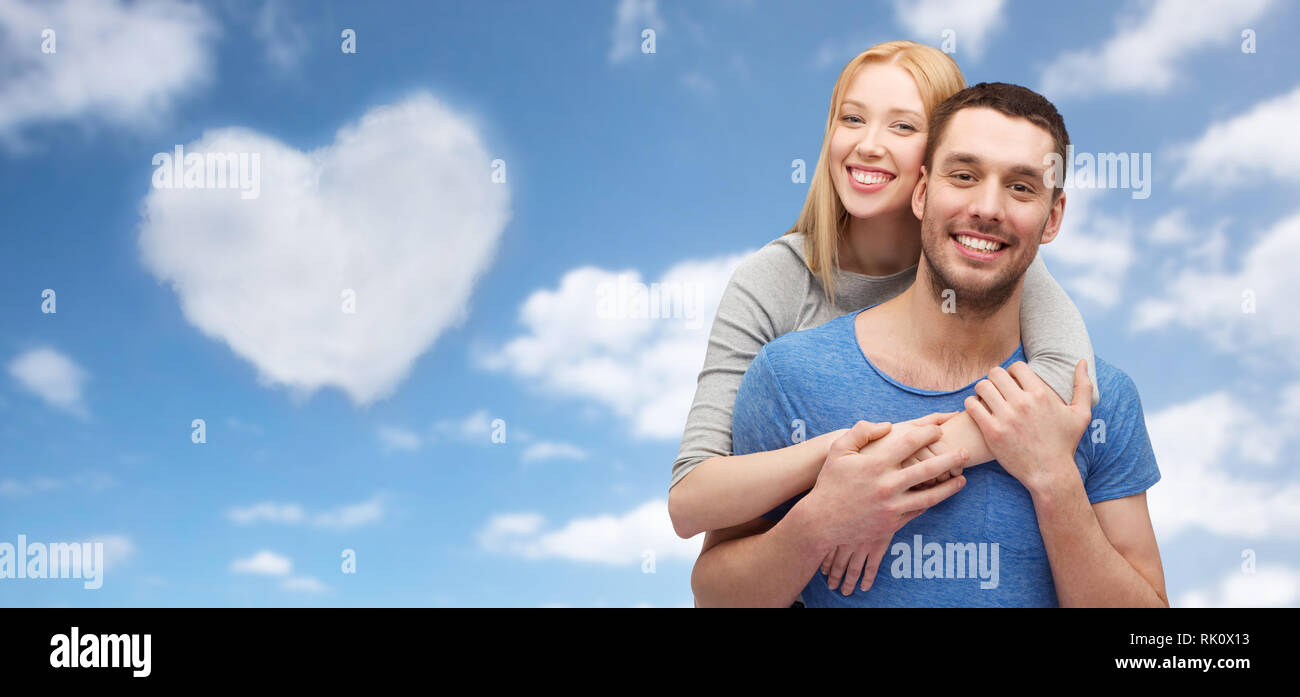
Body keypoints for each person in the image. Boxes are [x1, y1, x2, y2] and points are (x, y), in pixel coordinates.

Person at [690, 82, 1167, 608]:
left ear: (1052, 218)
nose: (988, 208)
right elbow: (716, 598)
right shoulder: (788, 378)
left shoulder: (1098, 399)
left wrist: (1054, 479)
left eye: (1022, 188)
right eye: (963, 176)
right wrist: (818, 522)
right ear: (921, 193)